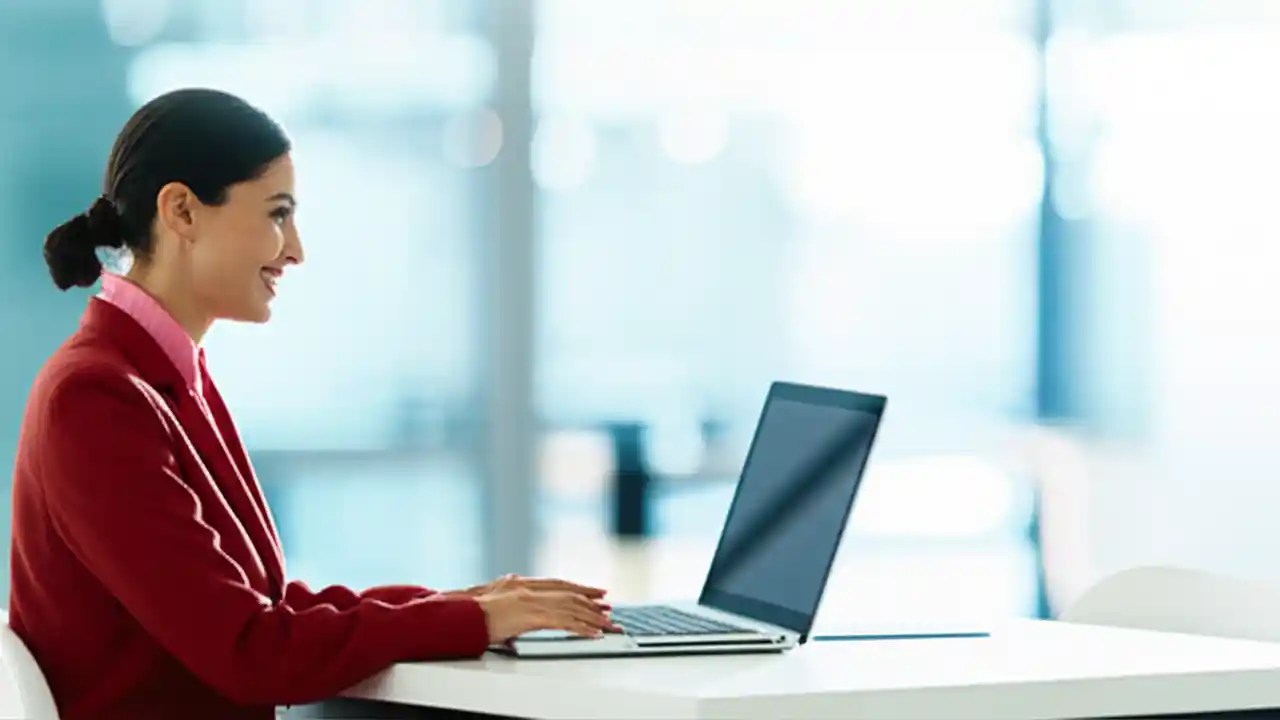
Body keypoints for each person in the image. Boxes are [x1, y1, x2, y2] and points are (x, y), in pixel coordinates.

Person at [8, 88, 617, 720]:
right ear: (183, 211)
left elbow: (268, 605)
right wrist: (468, 619)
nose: (294, 249)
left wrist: (467, 606)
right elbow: (250, 649)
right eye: (276, 214)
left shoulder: (161, 377)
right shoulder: (95, 399)